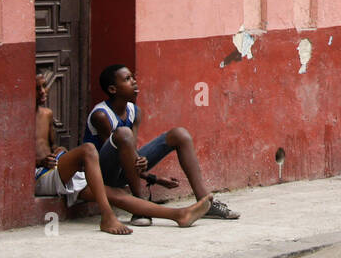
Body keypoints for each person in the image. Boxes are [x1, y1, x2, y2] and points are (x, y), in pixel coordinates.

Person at [36, 74, 212, 233]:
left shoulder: (47, 114)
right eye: (38, 88)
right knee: (89, 149)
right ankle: (107, 217)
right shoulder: (101, 115)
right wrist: (40, 162)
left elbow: (51, 147)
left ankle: (180, 215)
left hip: (65, 172)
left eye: (45, 86)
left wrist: (59, 152)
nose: (44, 91)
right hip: (41, 175)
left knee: (115, 194)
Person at [84, 64, 239, 223]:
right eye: (127, 79)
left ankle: (206, 202)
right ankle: (140, 208)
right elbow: (113, 158)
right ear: (112, 89)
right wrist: (155, 178)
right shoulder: (101, 116)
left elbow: (132, 152)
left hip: (127, 167)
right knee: (124, 134)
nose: (134, 82)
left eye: (133, 77)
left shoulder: (134, 111)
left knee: (180, 135)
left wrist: (142, 164)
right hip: (102, 173)